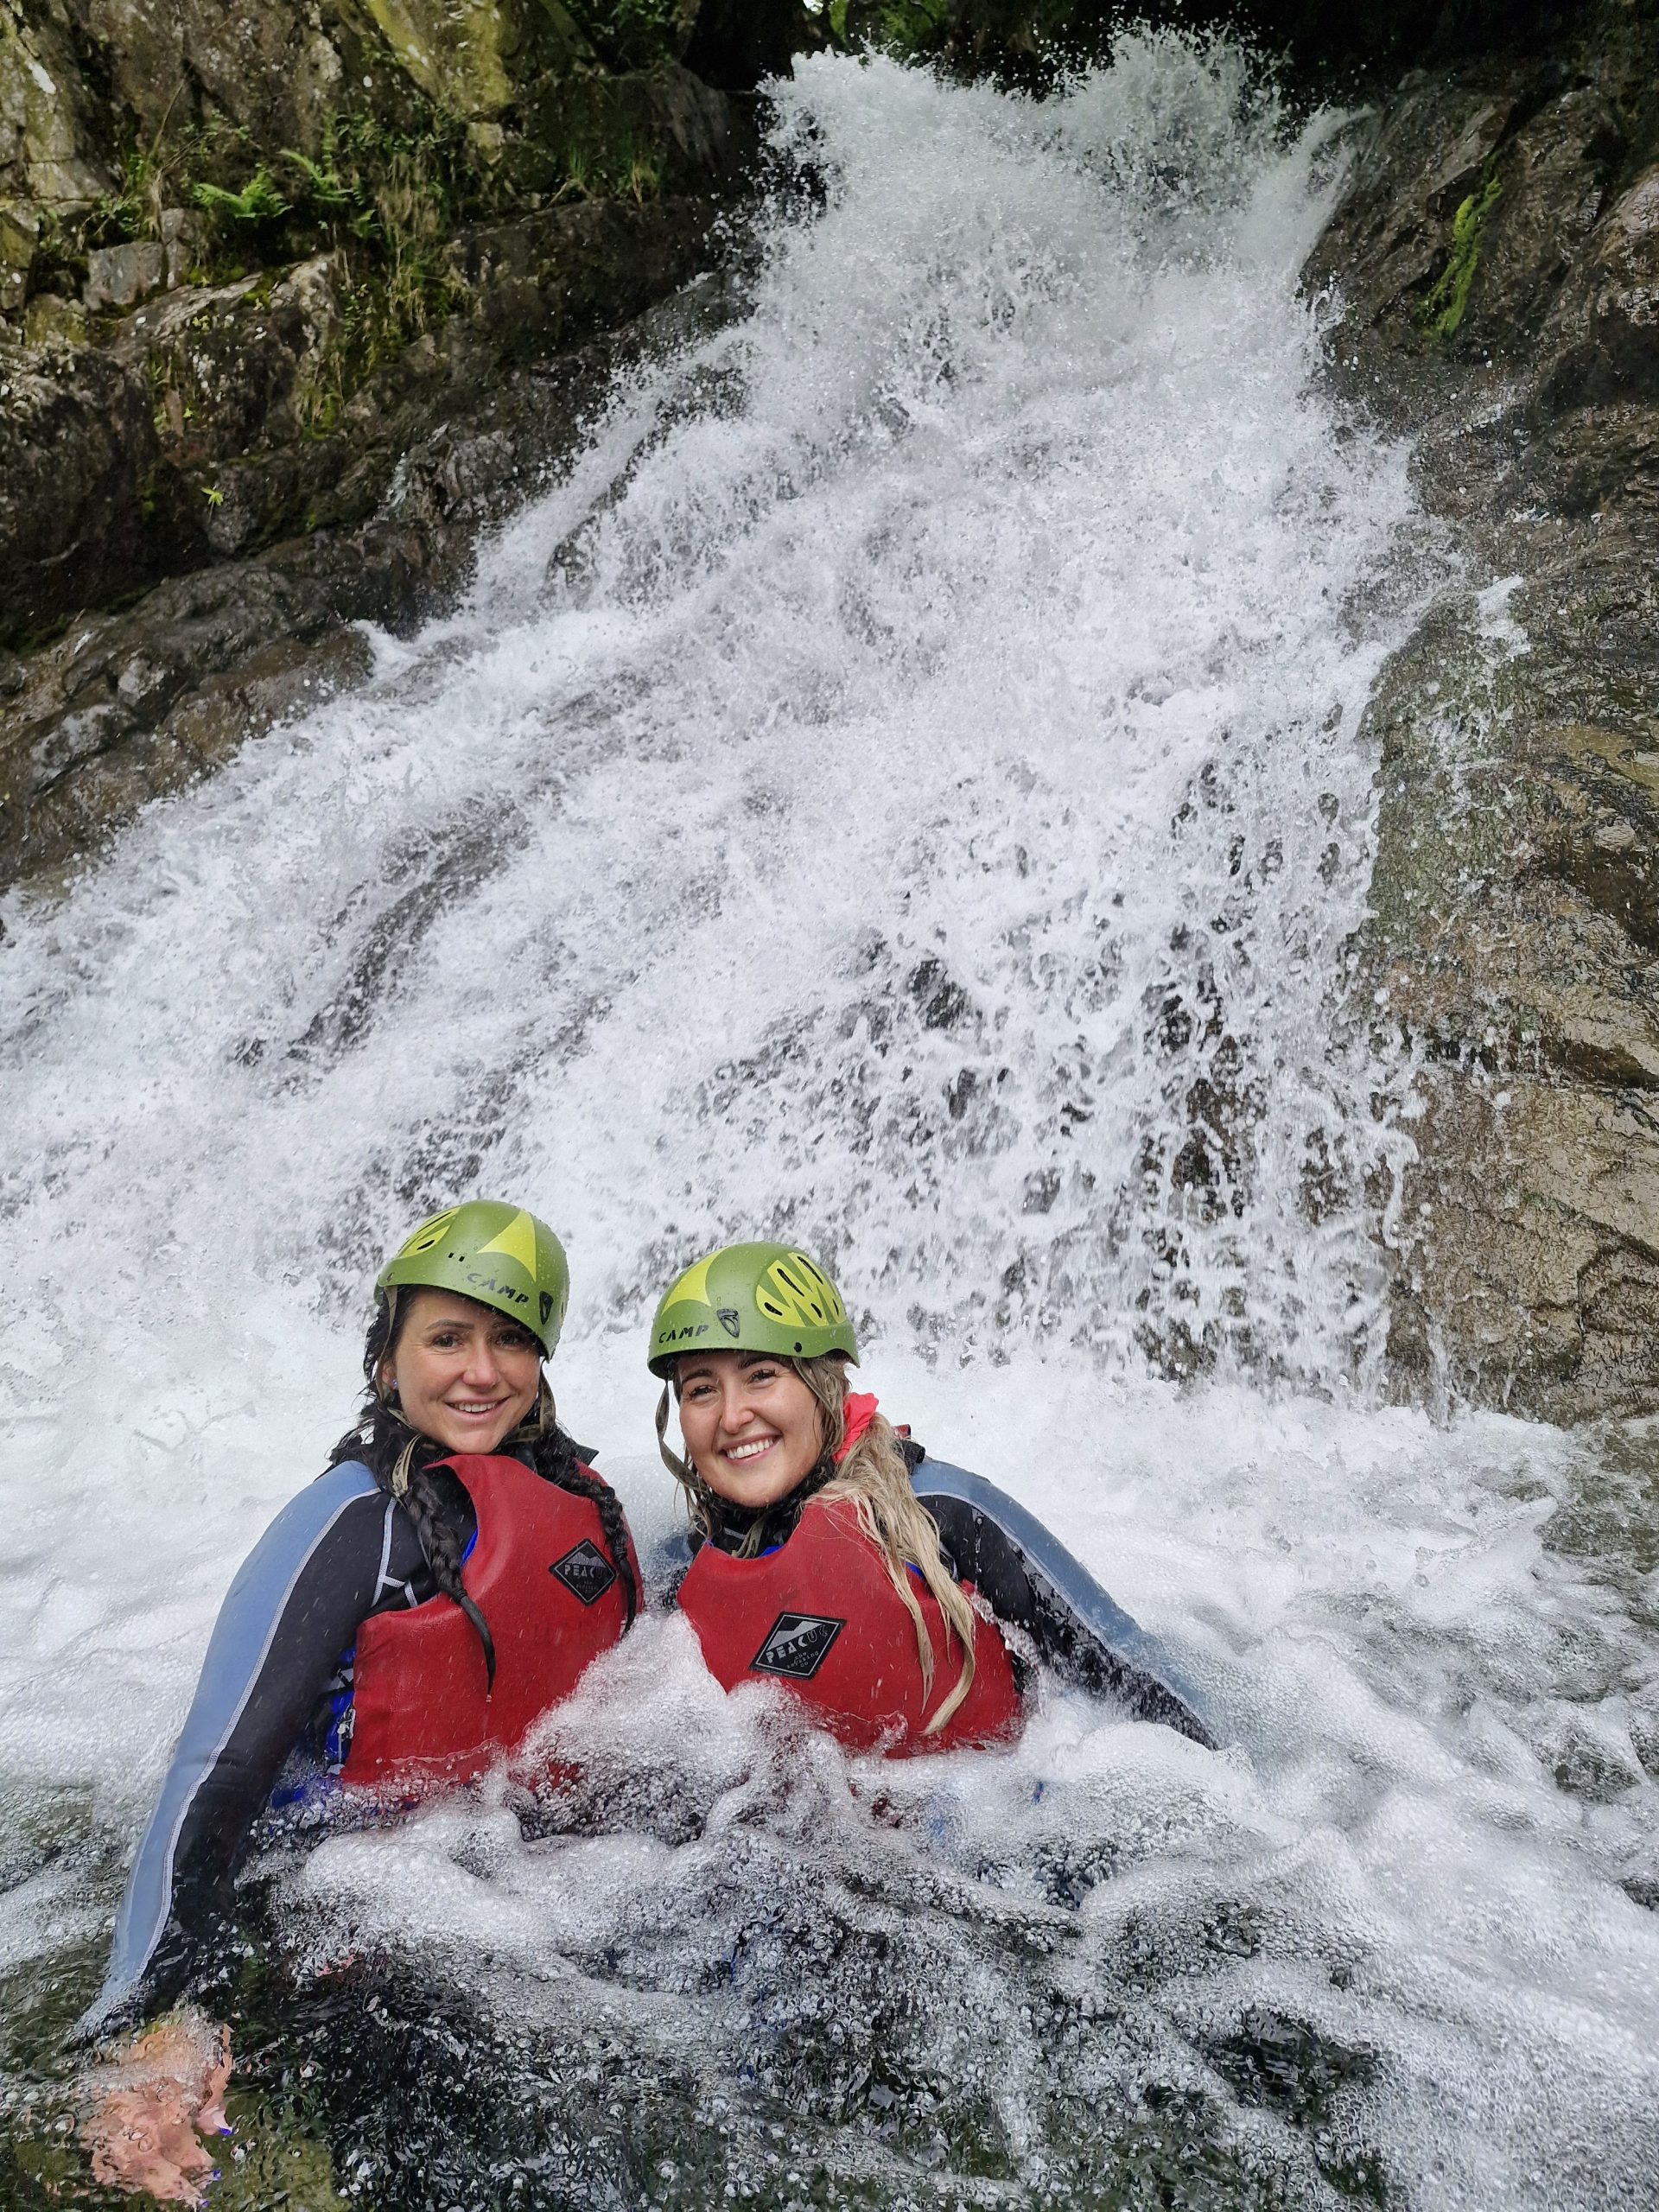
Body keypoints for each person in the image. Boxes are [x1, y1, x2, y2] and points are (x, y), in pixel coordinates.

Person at [79, 1199, 639, 2202]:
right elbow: (219, 1775)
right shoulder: (345, 1525)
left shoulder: (584, 1507)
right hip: (334, 1918)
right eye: (447, 1338)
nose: (480, 1369)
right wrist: (156, 2022)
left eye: (510, 1339)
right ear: (387, 1362)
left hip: (517, 1890)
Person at [648, 1241, 1216, 1756]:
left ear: (823, 1382)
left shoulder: (946, 1513)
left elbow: (1122, 1664)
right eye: (702, 1390)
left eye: (762, 1375)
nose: (732, 1415)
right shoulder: (683, 1572)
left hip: (990, 1841)